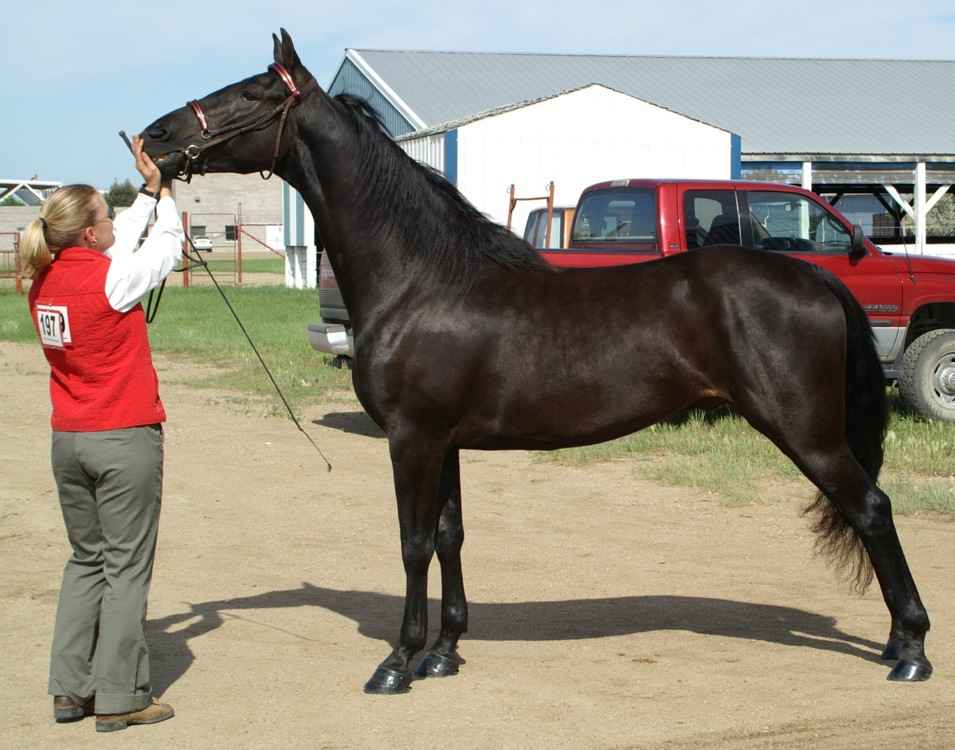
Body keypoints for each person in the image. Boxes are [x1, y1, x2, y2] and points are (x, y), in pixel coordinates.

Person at [20, 137, 184, 733]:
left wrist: (145, 188)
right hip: (122, 437)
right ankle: (120, 697)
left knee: (85, 560)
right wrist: (166, 198)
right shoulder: (109, 281)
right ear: (89, 234)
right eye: (104, 216)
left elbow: (120, 248)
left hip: (70, 439)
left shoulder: (46, 279)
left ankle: (69, 688)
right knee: (126, 568)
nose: (113, 221)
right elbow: (164, 251)